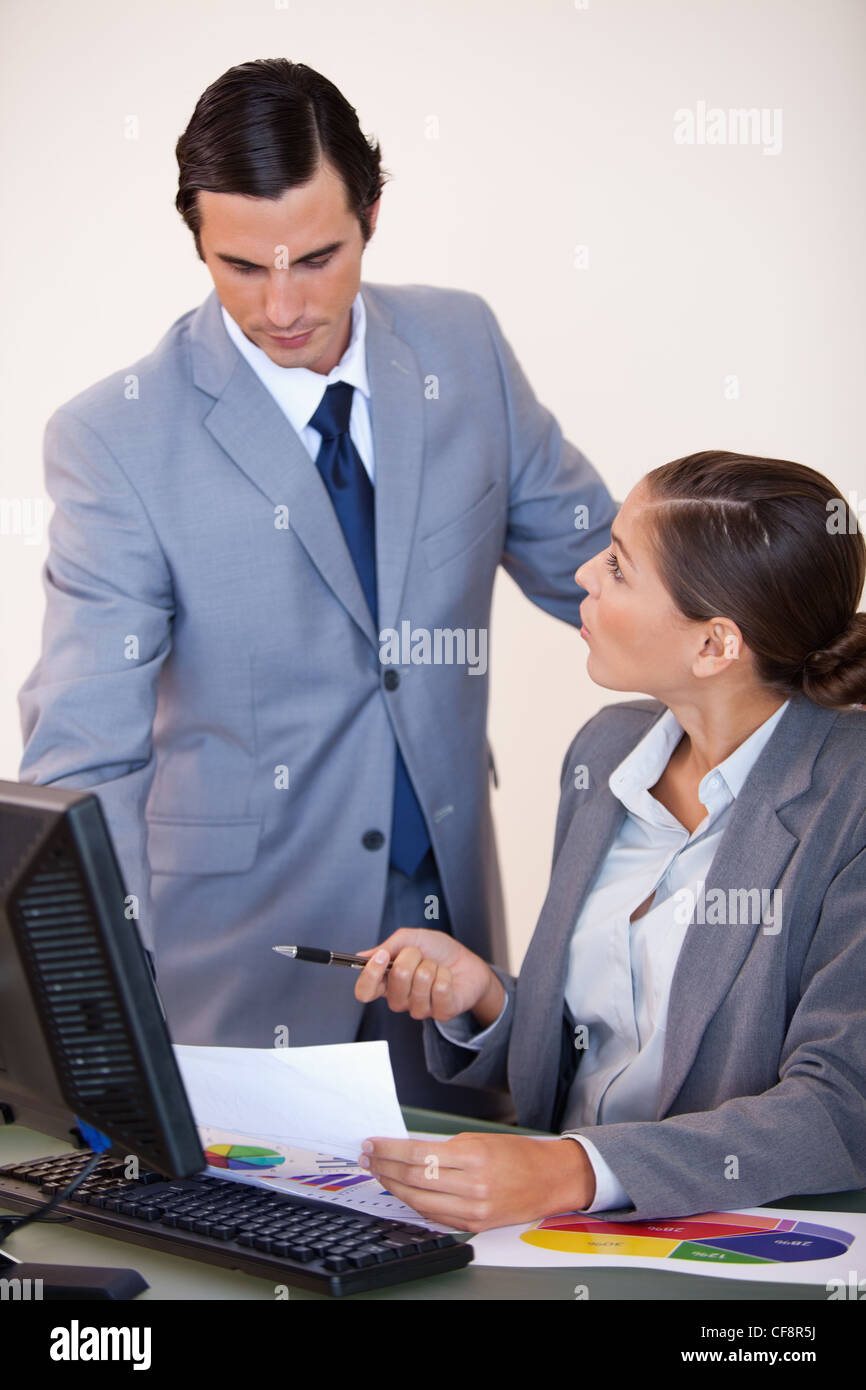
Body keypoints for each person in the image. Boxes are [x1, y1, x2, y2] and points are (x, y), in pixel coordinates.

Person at [16, 58, 616, 1118]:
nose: (282, 307)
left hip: (450, 951)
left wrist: (793, 661)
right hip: (236, 967)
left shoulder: (460, 346)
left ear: (372, 215)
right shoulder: (115, 438)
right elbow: (84, 754)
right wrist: (97, 1003)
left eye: (317, 258)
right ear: (196, 238)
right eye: (239, 266)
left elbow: (599, 572)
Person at [353, 450, 866, 1227]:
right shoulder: (607, 753)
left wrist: (576, 1171)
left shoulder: (849, 801)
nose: (586, 574)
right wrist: (489, 999)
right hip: (555, 1242)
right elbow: (603, 1045)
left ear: (715, 646)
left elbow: (839, 1107)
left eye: (620, 567)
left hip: (738, 1249)